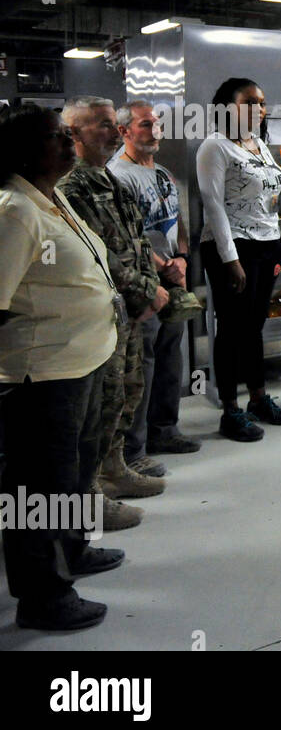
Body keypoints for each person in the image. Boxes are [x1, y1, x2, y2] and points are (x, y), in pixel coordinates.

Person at [1, 105, 122, 630]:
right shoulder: (15, 211)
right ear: (26, 150)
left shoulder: (52, 198)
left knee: (74, 473)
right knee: (38, 489)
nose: (70, 144)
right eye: (57, 138)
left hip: (84, 360)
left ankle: (72, 550)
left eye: (69, 135)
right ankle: (41, 595)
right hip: (43, 374)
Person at [58, 97, 167, 520]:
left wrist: (149, 289)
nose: (112, 132)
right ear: (75, 134)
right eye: (101, 125)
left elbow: (136, 244)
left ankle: (115, 469)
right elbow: (98, 253)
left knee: (126, 391)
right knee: (101, 405)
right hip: (104, 312)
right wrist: (145, 291)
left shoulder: (108, 179)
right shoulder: (72, 187)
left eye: (112, 124)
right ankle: (92, 490)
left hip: (129, 311)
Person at [197, 77, 281, 442]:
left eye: (262, 103)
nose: (259, 110)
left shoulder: (258, 145)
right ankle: (230, 410)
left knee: (254, 327)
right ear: (226, 107)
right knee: (232, 330)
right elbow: (213, 206)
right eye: (250, 103)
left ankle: (257, 398)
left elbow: (268, 199)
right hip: (232, 248)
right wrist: (229, 259)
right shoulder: (214, 147)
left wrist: (279, 243)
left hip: (266, 244)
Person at [108, 101, 202, 471]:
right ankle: (134, 449)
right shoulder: (119, 175)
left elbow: (177, 221)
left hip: (171, 277)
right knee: (141, 363)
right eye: (146, 124)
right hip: (143, 282)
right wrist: (163, 266)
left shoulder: (163, 173)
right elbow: (125, 237)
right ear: (124, 131)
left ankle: (165, 428)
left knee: (169, 356)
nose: (156, 130)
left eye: (158, 124)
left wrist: (180, 258)